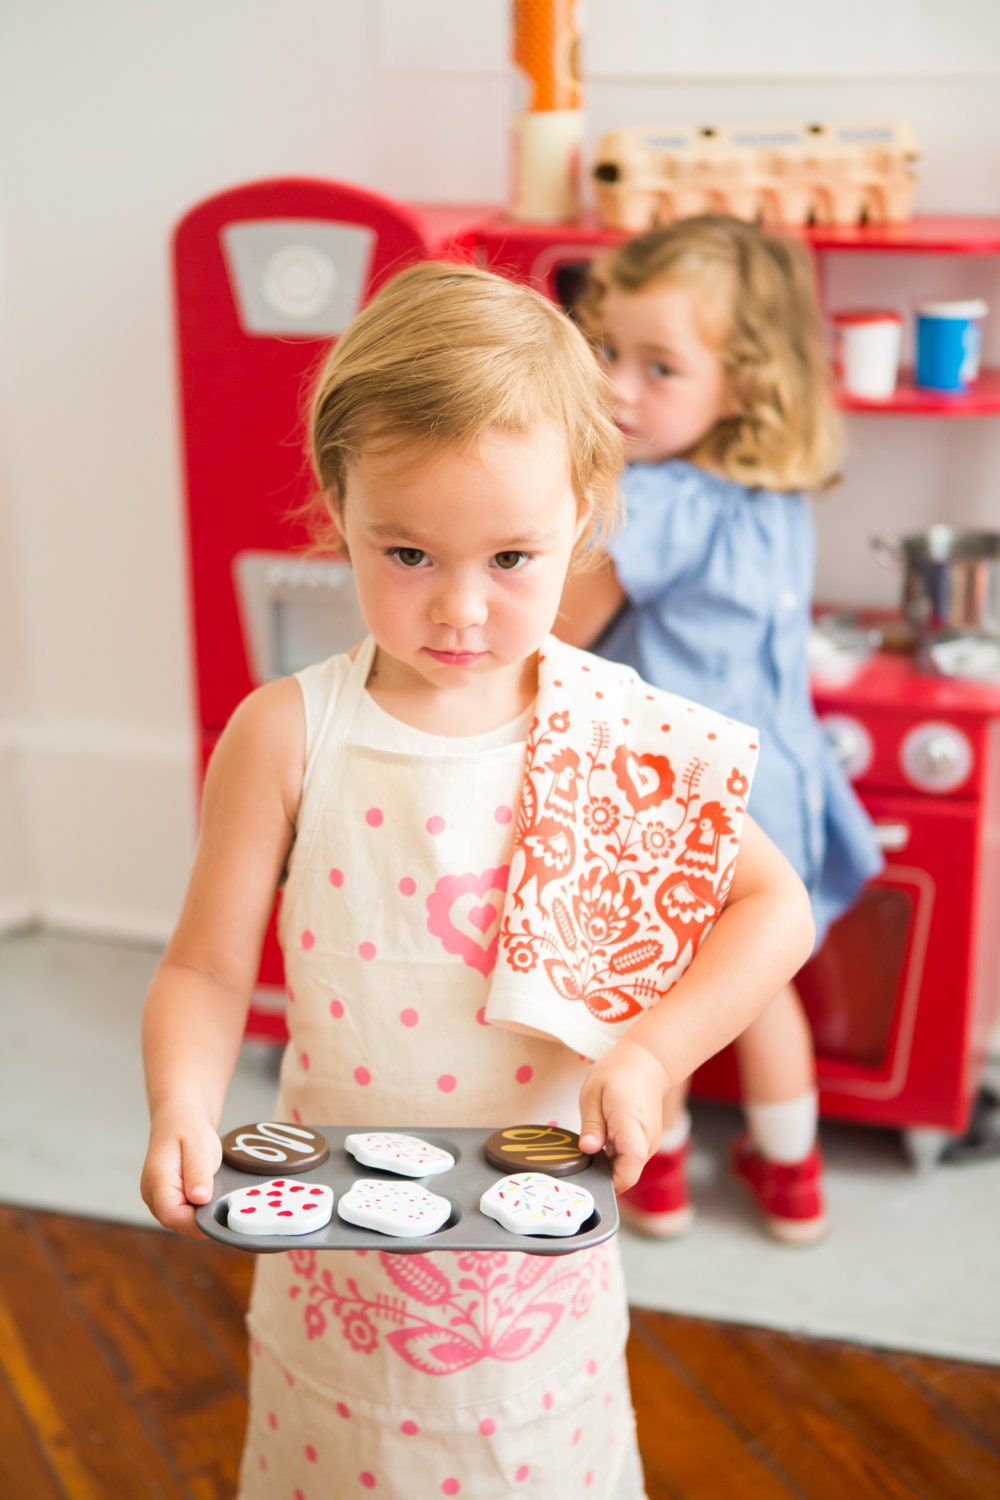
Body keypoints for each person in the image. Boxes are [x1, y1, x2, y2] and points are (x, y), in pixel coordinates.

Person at [140, 259, 815, 1499]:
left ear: (586, 513)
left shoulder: (613, 729)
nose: (459, 608)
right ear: (336, 503)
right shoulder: (288, 733)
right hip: (334, 1270)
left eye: (513, 558)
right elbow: (204, 962)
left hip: (535, 1280)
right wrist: (183, 1102)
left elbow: (774, 909)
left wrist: (656, 1054)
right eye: (407, 552)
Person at [558, 215, 884, 1248]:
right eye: (606, 352)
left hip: (686, 795)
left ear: (740, 385)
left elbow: (559, 628)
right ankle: (792, 1177)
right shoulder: (775, 489)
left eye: (659, 368)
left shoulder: (653, 502)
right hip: (780, 781)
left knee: (668, 997)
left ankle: (652, 1177)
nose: (617, 389)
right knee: (759, 987)